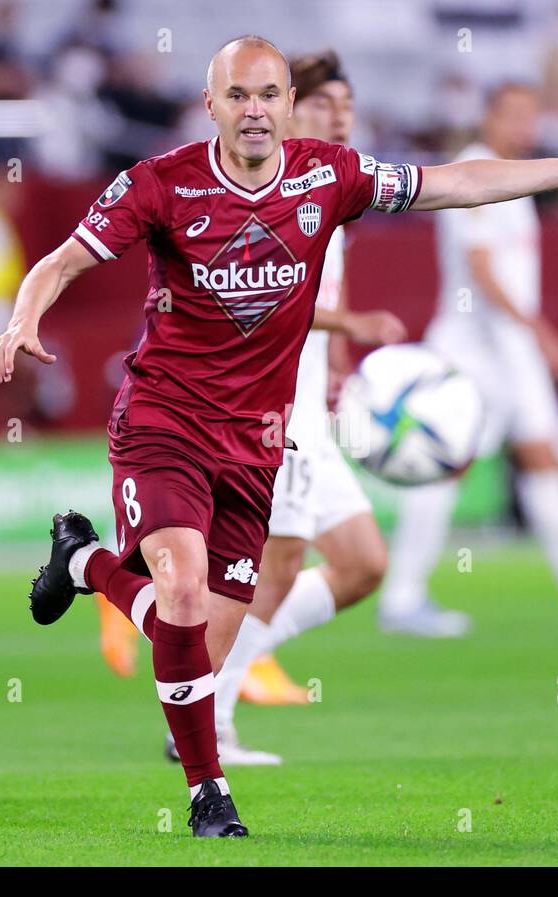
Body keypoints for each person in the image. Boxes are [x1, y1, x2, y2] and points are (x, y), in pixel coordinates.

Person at [0, 36, 558, 837]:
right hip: (164, 419)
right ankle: (210, 794)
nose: (254, 111)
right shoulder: (160, 184)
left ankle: (84, 560)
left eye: (268, 95)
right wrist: (22, 320)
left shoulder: (329, 174)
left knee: (198, 643)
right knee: (179, 590)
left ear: (285, 104)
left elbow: (454, 182)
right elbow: (62, 262)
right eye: (237, 95)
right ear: (210, 105)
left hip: (256, 440)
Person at [166, 48, 406, 766]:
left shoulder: (333, 189)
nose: (339, 118)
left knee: (363, 564)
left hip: (310, 409)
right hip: (272, 409)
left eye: (348, 107)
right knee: (273, 567)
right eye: (325, 105)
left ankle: (206, 690)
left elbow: (319, 297)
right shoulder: (268, 188)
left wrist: (335, 363)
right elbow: (271, 296)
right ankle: (205, 721)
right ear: (290, 111)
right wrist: (349, 327)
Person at [380, 83, 558, 636]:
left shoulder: (522, 177)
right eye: (514, 115)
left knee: (543, 461)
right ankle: (402, 597)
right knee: (446, 468)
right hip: (471, 351)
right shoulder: (471, 168)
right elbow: (482, 271)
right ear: (488, 116)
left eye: (533, 116)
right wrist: (541, 332)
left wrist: (529, 339)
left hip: (512, 353)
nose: (526, 127)